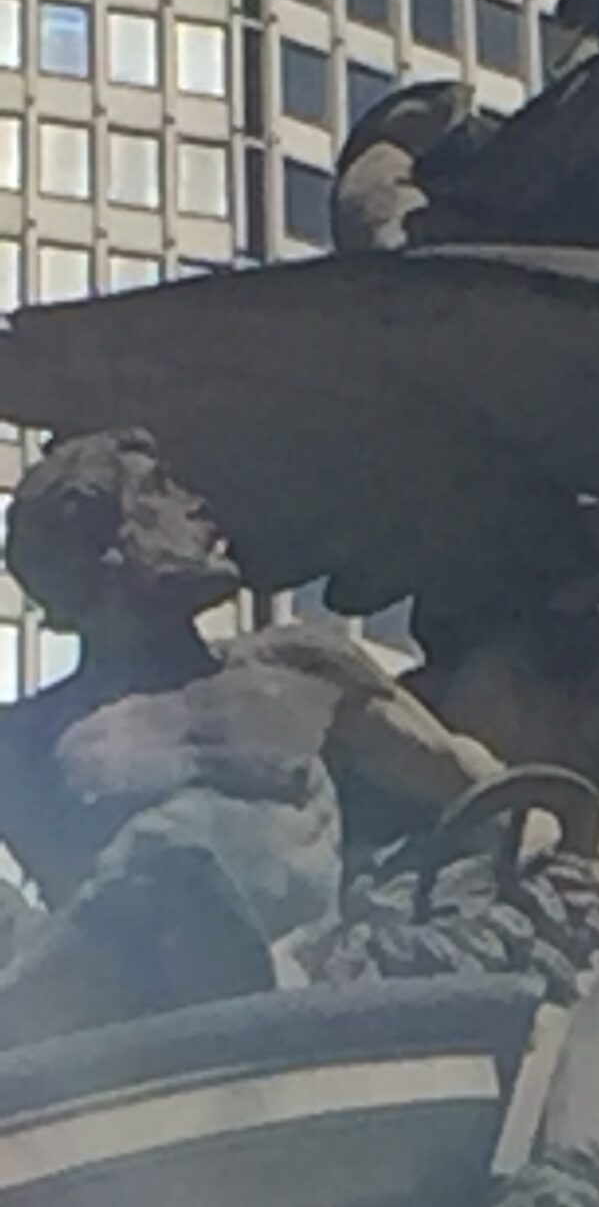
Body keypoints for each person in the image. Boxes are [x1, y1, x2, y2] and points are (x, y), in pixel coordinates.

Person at [0, 429, 557, 1044]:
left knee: (168, 865)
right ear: (98, 542)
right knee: (161, 865)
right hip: (129, 1032)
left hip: (299, 996)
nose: (199, 507)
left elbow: (485, 796)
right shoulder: (23, 741)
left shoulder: (300, 670)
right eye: (159, 490)